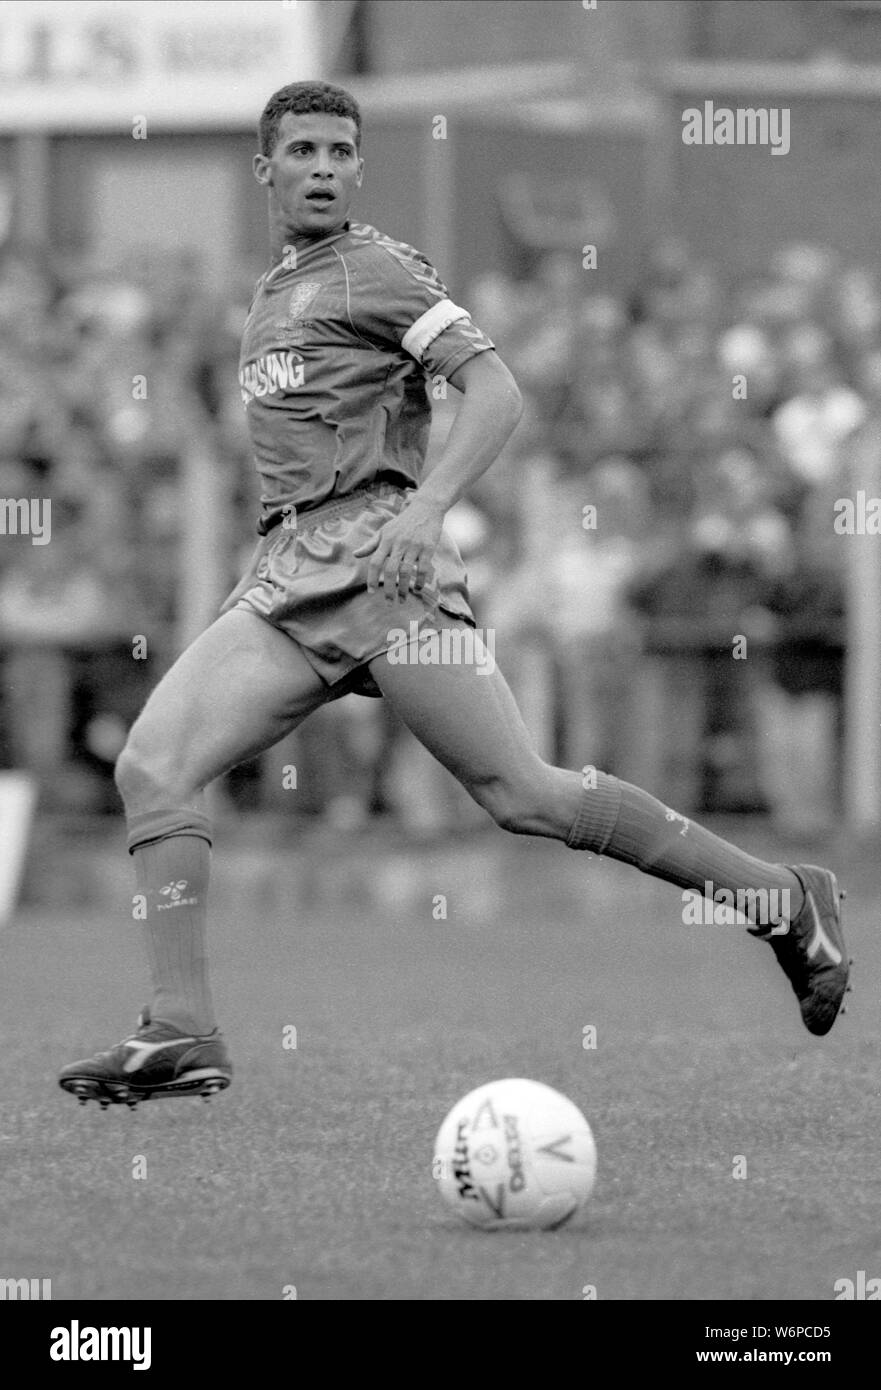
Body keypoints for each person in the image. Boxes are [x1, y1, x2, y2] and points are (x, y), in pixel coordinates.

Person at [60, 82, 850, 1108]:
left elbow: (497, 391)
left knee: (522, 794)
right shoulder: (268, 295)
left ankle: (780, 900)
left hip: (385, 572)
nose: (323, 166)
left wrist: (425, 512)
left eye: (340, 150)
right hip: (290, 578)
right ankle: (180, 1028)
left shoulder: (378, 268)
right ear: (264, 170)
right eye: (300, 150)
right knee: (155, 766)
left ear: (357, 168)